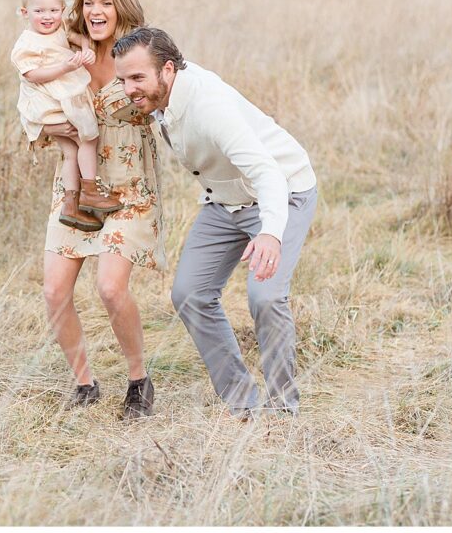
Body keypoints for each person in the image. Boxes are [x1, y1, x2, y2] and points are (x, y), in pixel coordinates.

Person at [112, 27, 317, 418]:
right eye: (122, 79)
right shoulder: (153, 94)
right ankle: (242, 402)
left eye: (136, 78)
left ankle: (282, 411)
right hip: (225, 201)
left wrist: (271, 234)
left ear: (168, 70)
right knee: (189, 293)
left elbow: (267, 172)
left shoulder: (208, 106)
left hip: (282, 192)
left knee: (266, 296)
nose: (128, 88)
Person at [39, 0, 166, 420]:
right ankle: (84, 384)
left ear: (122, 8)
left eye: (106, 3)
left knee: (110, 288)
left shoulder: (140, 52)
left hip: (129, 185)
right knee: (54, 290)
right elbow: (33, 109)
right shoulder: (63, 52)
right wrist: (57, 127)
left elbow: (168, 101)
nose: (96, 11)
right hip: (75, 184)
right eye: (89, 2)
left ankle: (138, 381)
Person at [11, 0, 123, 231]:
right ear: (25, 13)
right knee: (88, 136)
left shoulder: (59, 29)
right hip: (50, 105)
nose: (47, 17)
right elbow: (31, 75)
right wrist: (64, 66)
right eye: (39, 12)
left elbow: (75, 38)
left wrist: (85, 46)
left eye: (53, 11)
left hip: (63, 100)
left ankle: (71, 204)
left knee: (72, 154)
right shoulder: (27, 44)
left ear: (62, 10)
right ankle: (90, 190)